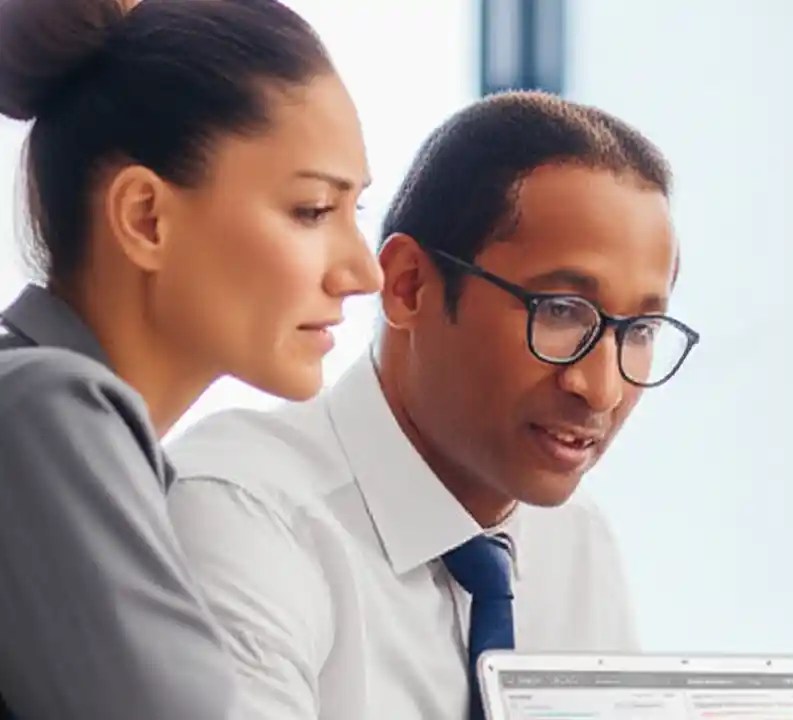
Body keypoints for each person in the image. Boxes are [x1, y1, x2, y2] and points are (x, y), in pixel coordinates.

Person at [164, 90, 699, 720]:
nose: (602, 389)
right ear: (408, 285)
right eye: (560, 312)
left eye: (639, 330)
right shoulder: (241, 511)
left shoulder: (576, 541)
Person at [0, 0, 381, 717]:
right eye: (311, 211)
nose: (364, 274)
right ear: (146, 218)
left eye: (353, 211)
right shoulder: (43, 412)